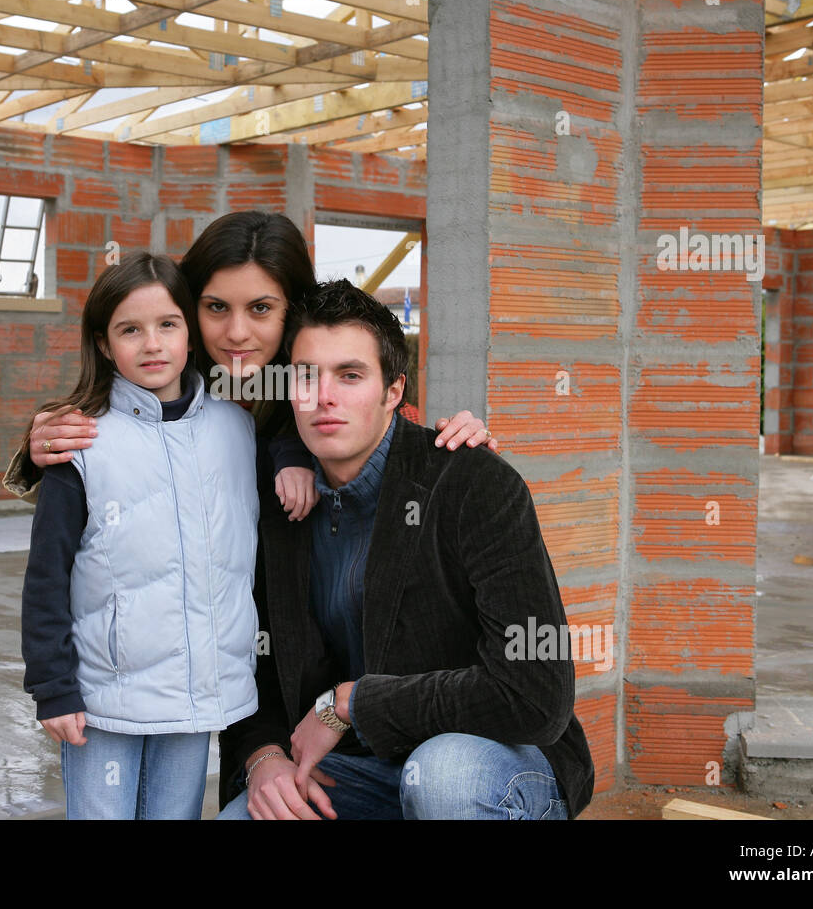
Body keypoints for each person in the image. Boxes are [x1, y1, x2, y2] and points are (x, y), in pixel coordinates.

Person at [217, 280, 596, 820]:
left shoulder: (473, 484)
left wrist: (351, 703)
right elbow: (251, 668)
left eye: (350, 376)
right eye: (306, 376)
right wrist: (263, 758)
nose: (324, 396)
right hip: (356, 769)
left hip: (492, 763)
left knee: (442, 778)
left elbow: (535, 694)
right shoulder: (279, 506)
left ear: (393, 392)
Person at [3, 211, 496, 520]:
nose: (237, 333)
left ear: (293, 310)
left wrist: (453, 448)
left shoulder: (319, 391)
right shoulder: (156, 386)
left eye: (260, 309)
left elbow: (396, 435)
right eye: (216, 307)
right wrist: (42, 451)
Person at [19, 251, 259, 819]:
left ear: (192, 335)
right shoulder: (79, 441)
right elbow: (46, 575)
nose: (152, 344)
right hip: (103, 701)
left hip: (195, 697)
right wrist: (53, 686)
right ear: (104, 344)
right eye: (130, 329)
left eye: (167, 325)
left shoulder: (238, 428)